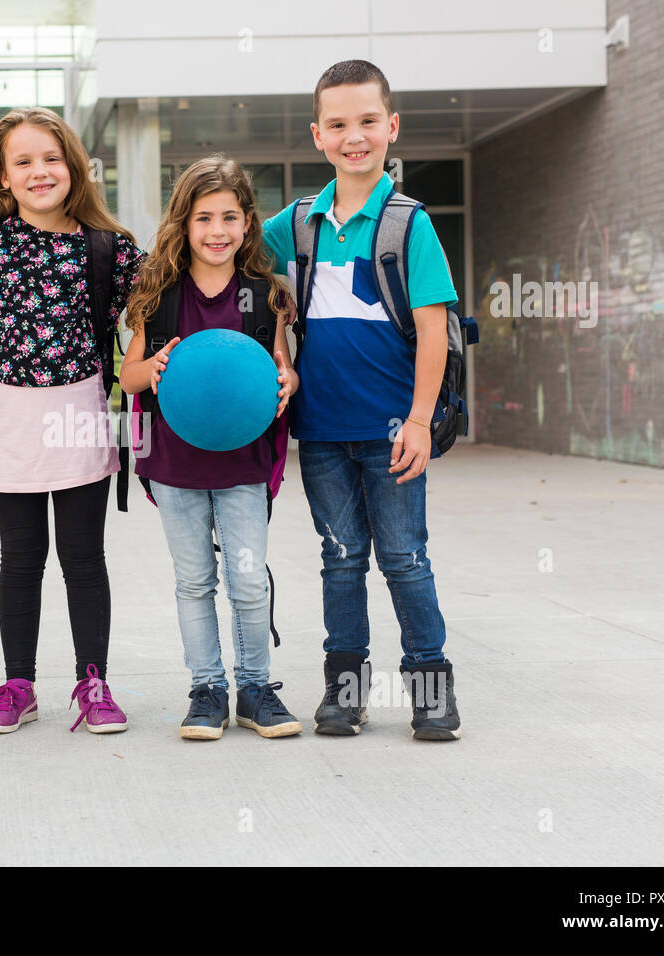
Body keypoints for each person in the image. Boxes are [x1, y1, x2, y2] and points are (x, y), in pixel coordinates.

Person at [0, 108, 145, 734]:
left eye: (51, 158)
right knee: (19, 559)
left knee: (83, 557)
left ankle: (93, 682)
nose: (39, 171)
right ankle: (18, 684)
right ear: (2, 176)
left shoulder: (109, 248)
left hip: (80, 415)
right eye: (23, 162)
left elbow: (168, 291)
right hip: (12, 417)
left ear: (74, 167)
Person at [260, 59, 462, 740]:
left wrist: (419, 422)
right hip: (320, 432)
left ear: (391, 128)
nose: (355, 136)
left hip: (394, 433)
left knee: (405, 558)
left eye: (368, 122)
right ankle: (345, 692)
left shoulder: (411, 226)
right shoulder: (293, 226)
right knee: (341, 559)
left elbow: (434, 331)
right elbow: (226, 258)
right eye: (339, 124)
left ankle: (430, 688)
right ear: (317, 134)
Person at [121, 155, 301, 740]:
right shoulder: (158, 292)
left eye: (229, 216)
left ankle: (255, 687)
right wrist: (153, 366)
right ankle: (207, 689)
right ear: (184, 223)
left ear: (248, 222)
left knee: (248, 578)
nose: (217, 230)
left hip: (243, 461)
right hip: (176, 462)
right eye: (204, 218)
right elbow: (127, 378)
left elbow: (282, 368)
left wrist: (287, 381)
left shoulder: (263, 294)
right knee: (194, 580)